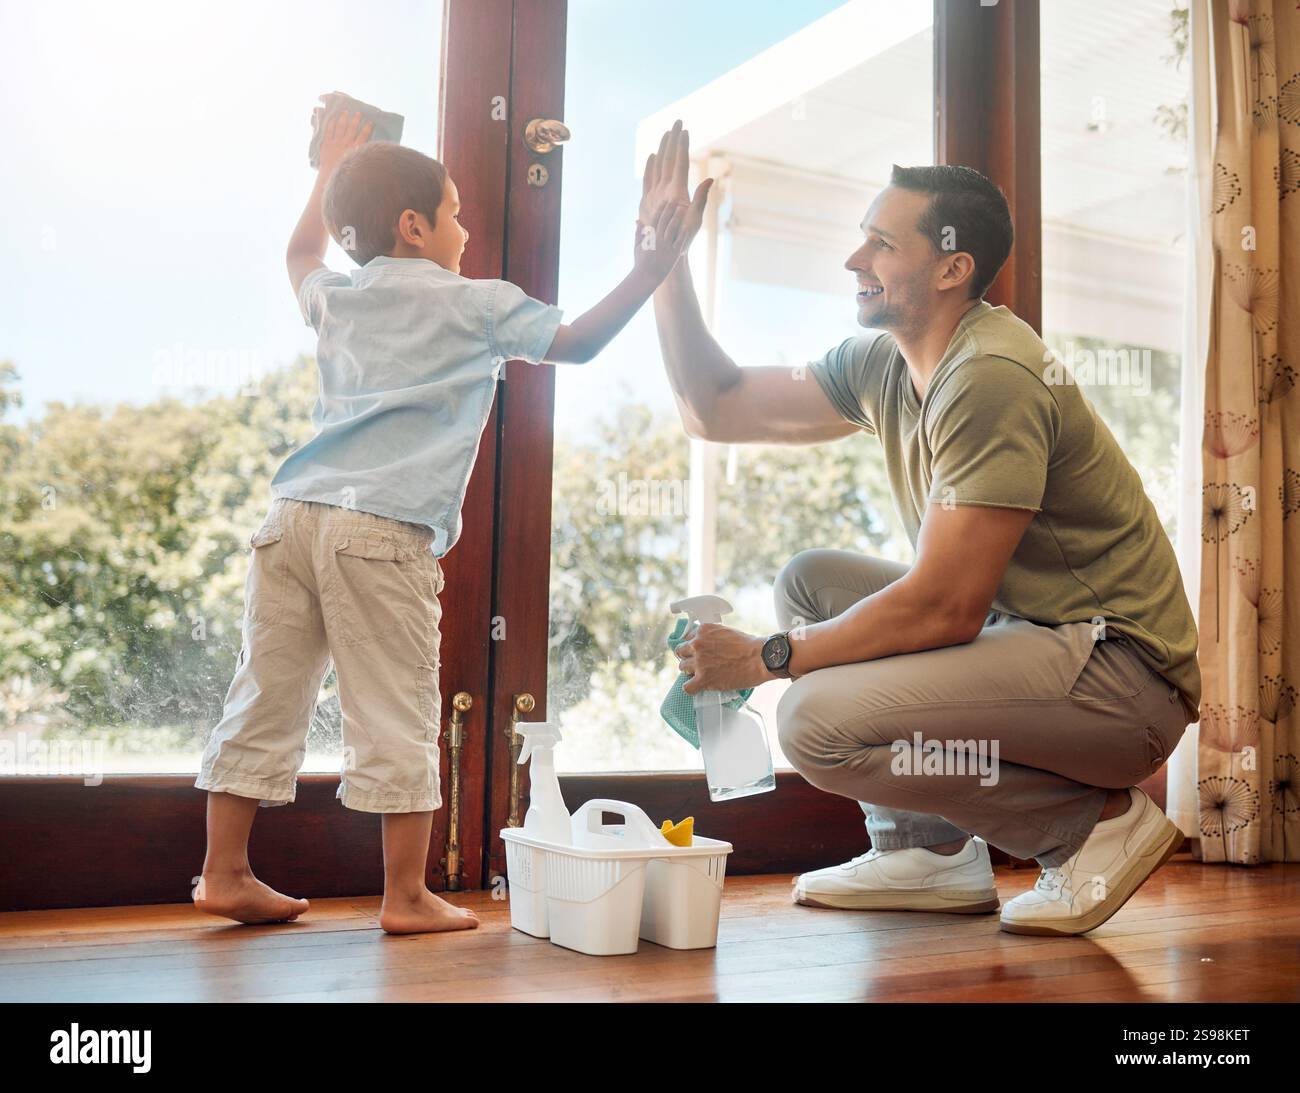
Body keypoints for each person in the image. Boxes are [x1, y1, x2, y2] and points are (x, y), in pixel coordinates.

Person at [648, 121, 1199, 937]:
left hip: (1123, 680)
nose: (853, 262)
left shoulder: (991, 376)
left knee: (813, 722)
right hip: (1035, 643)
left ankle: (1089, 831)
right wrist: (663, 263)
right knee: (813, 583)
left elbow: (945, 610)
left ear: (952, 267)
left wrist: (767, 657)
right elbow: (714, 404)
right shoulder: (884, 364)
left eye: (878, 243)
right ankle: (928, 852)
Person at [192, 107, 704, 934]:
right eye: (457, 212)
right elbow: (573, 343)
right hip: (381, 534)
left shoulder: (339, 298)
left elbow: (299, 253)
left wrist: (328, 165)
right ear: (414, 225)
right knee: (396, 707)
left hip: (290, 520)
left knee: (264, 690)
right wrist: (652, 266)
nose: (465, 229)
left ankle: (223, 871)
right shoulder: (476, 303)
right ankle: (404, 896)